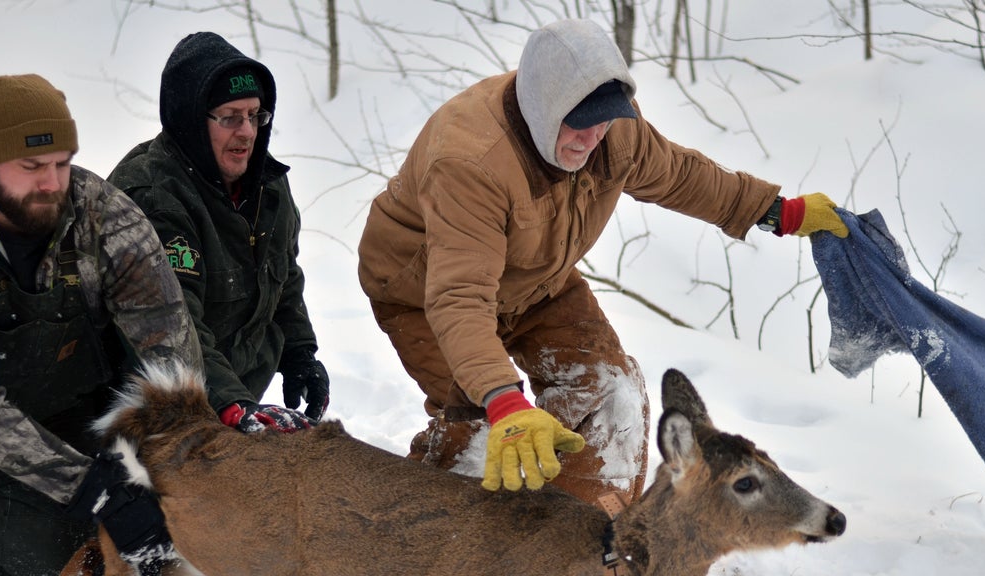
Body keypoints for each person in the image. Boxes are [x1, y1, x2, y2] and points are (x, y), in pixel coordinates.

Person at [357, 18, 850, 506]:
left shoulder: (613, 129)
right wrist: (503, 397)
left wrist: (775, 212)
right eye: (578, 123)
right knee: (483, 429)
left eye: (604, 121)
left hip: (536, 281)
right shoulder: (471, 160)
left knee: (611, 392)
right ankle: (431, 549)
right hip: (422, 292)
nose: (591, 138)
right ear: (541, 107)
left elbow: (681, 175)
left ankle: (580, 544)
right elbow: (459, 297)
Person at [0, 74, 203, 576]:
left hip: (59, 418)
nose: (52, 182)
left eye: (61, 162)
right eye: (31, 167)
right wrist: (89, 488)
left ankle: (5, 523)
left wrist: (159, 467)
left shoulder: (106, 215)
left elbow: (170, 348)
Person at [108, 32, 329, 435]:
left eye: (256, 115)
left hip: (233, 398)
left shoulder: (266, 184)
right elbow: (172, 327)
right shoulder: (153, 199)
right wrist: (229, 403)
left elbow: (284, 274)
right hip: (154, 409)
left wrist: (300, 353)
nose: (247, 132)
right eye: (229, 117)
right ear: (192, 120)